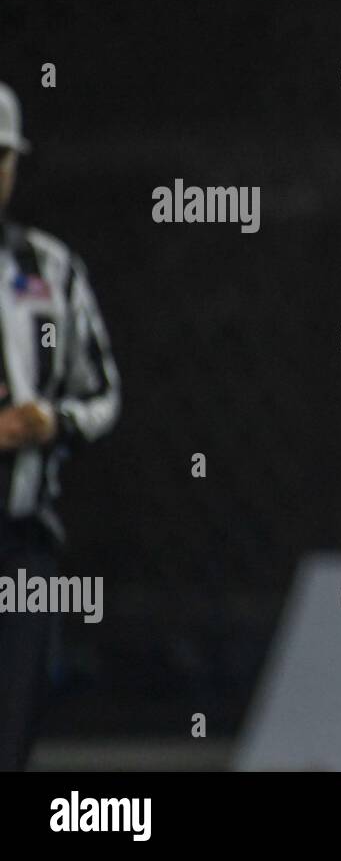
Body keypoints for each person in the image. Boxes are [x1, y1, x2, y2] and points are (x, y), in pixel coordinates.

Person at [0, 81, 122, 769]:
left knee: (16, 723)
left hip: (23, 536)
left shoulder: (48, 267)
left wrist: (54, 419)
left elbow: (102, 392)